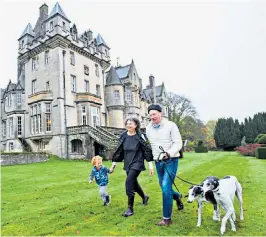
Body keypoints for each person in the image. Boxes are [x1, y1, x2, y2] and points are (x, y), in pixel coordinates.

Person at [146, 104, 184, 226]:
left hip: (170, 160)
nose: (152, 117)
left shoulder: (171, 125)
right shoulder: (148, 128)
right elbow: (152, 147)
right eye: (150, 115)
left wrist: (169, 152)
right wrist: (152, 163)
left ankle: (166, 219)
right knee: (164, 187)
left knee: (166, 186)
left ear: (160, 113)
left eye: (154, 114)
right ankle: (177, 196)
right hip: (158, 162)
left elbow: (178, 143)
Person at [110, 117, 154, 217]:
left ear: (136, 126)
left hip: (137, 163)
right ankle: (144, 197)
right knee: (134, 183)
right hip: (128, 163)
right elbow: (119, 151)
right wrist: (113, 165)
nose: (129, 125)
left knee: (129, 183)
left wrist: (151, 166)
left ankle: (130, 208)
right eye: (127, 123)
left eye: (131, 124)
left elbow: (147, 150)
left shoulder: (140, 136)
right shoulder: (123, 136)